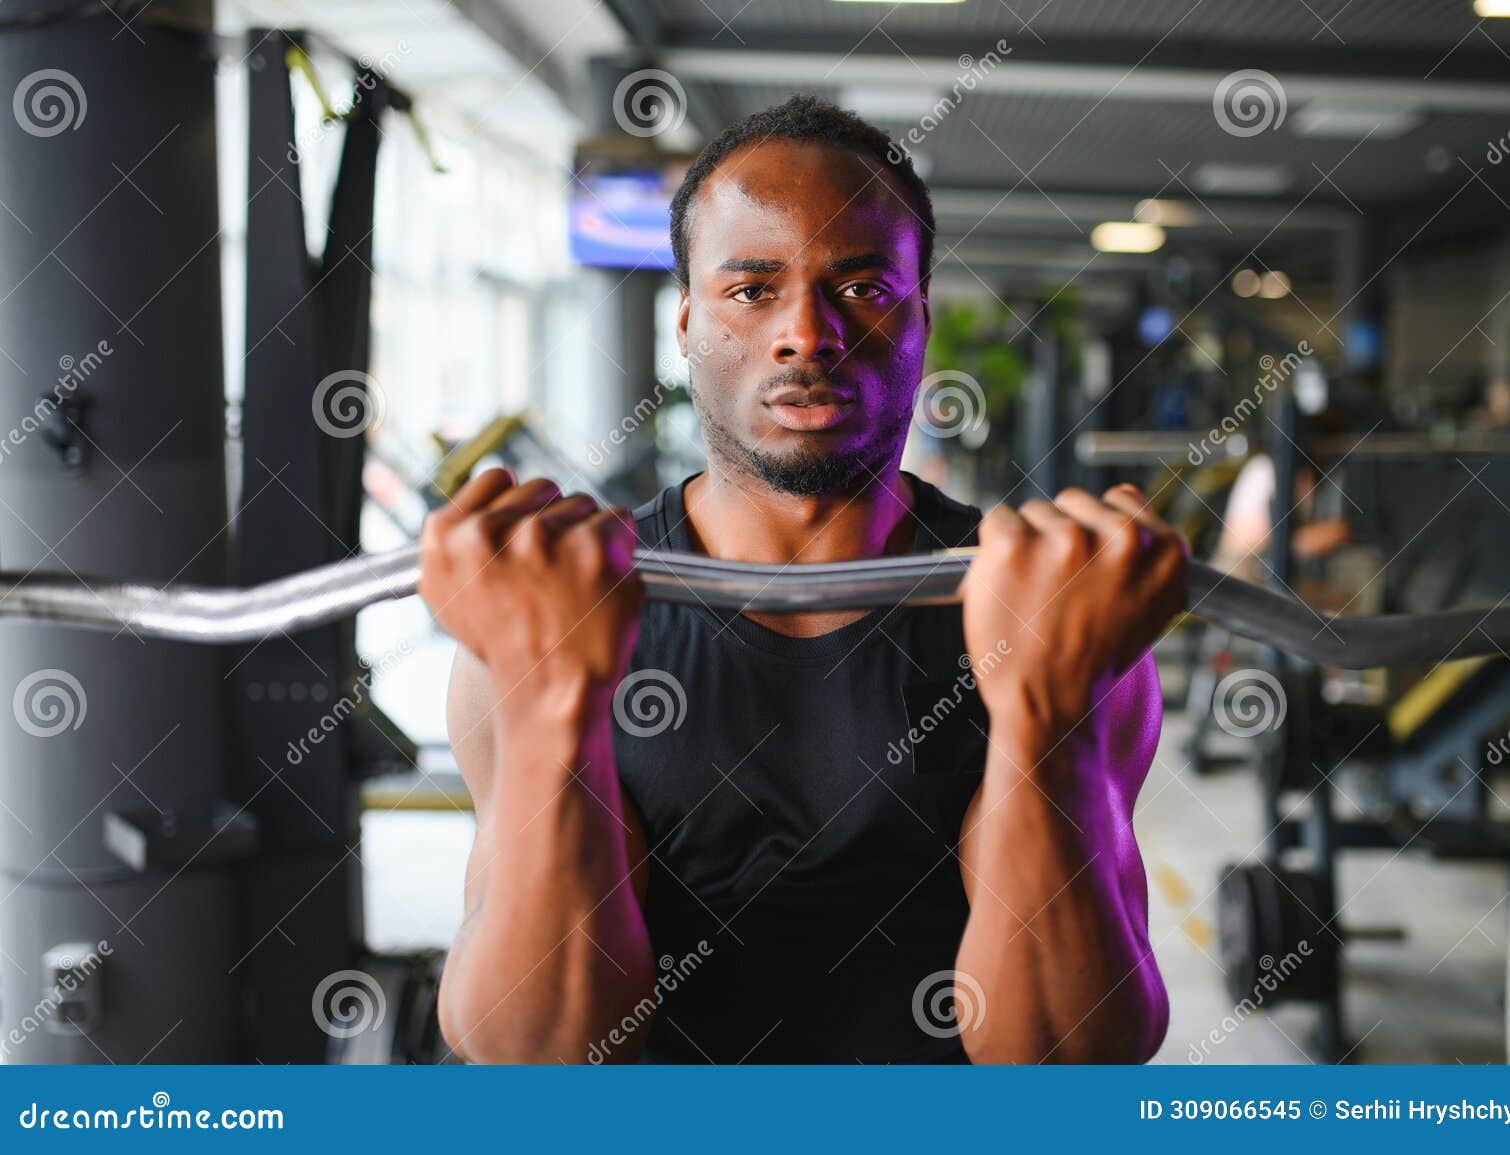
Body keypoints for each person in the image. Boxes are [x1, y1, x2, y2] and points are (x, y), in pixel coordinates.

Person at [417, 96, 1187, 1064]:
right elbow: (534, 1051)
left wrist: (1042, 707)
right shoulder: (548, 616)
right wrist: (548, 705)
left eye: (861, 289)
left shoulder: (1051, 617)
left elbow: (1067, 1057)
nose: (806, 335)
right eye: (752, 289)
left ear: (920, 317)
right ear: (688, 320)